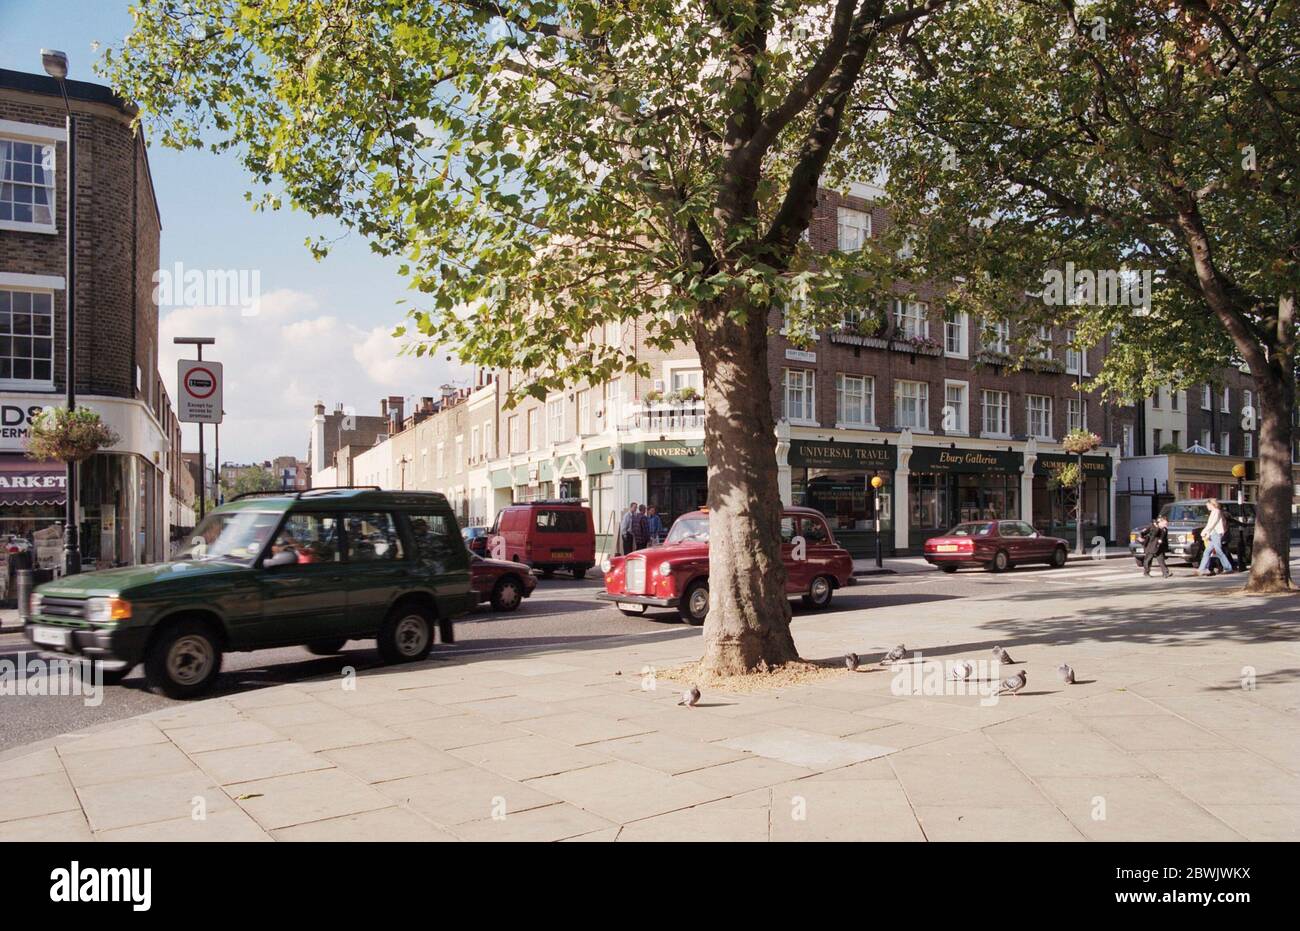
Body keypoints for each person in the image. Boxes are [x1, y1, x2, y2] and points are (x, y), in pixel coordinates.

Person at [1196, 498, 1234, 576]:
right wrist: (1207, 532)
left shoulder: (1216, 512)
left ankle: (1228, 568)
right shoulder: (1214, 512)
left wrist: (1204, 532)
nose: (1207, 507)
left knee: (1218, 551)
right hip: (1213, 534)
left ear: (1211, 504)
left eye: (1207, 505)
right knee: (1207, 552)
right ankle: (1202, 569)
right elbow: (1210, 524)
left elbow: (1212, 524)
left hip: (1216, 534)